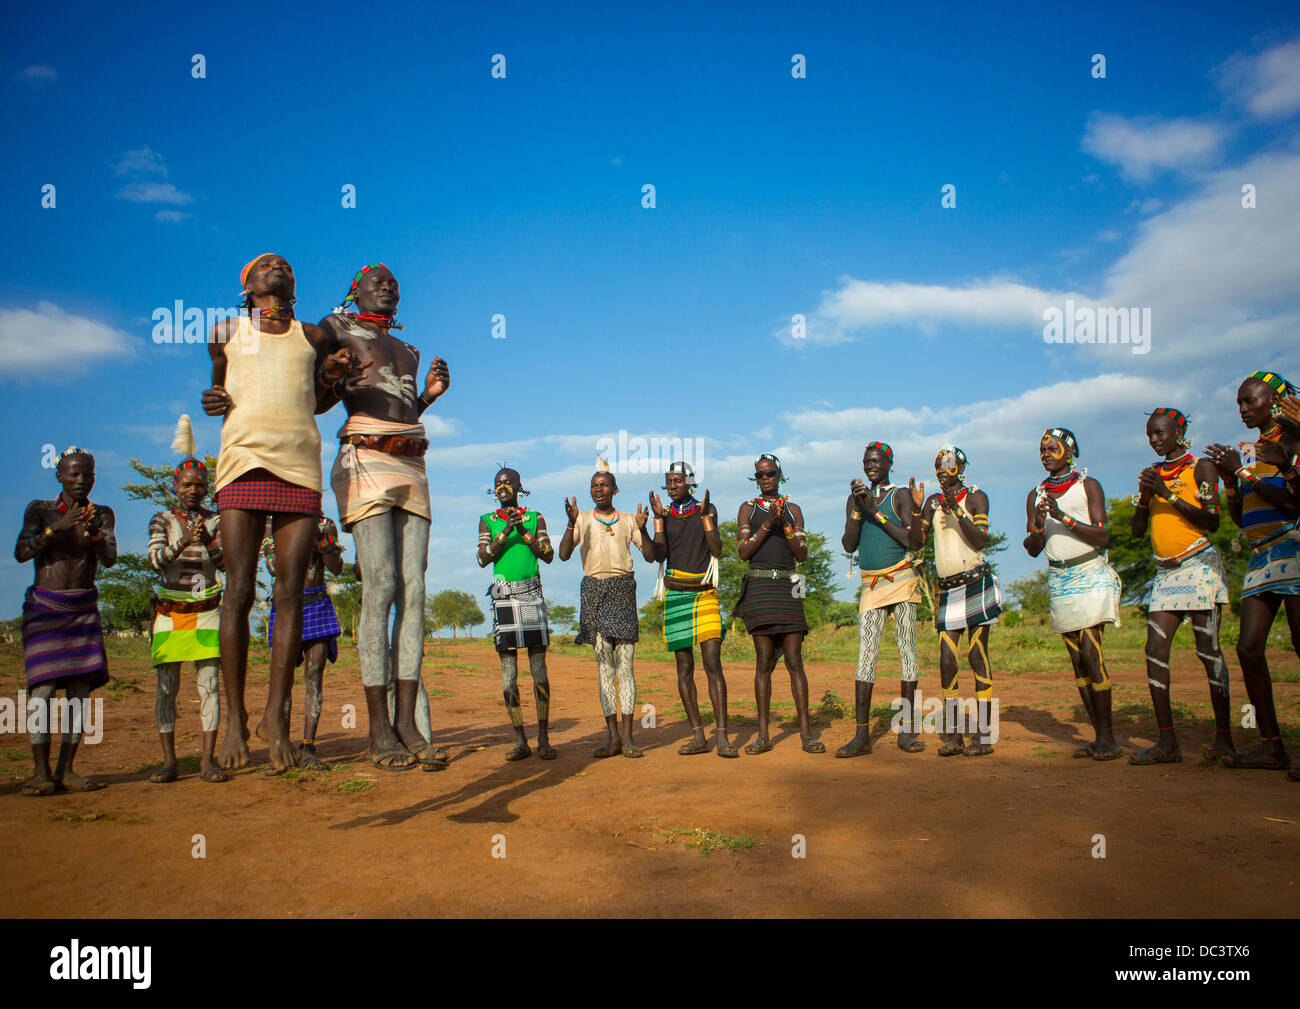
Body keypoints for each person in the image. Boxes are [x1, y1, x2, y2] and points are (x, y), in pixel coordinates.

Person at [203, 253, 361, 773]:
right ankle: (233, 720)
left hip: (299, 467)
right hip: (242, 463)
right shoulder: (225, 332)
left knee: (291, 592)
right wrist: (212, 399)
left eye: (288, 266)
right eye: (268, 265)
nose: (281, 268)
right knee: (240, 591)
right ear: (246, 284)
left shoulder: (312, 336)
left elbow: (315, 402)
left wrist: (332, 379)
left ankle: (276, 716)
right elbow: (222, 391)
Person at [319, 263, 450, 770]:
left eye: (395, 281)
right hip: (364, 455)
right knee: (380, 586)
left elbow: (403, 409)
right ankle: (378, 727)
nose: (389, 285)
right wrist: (331, 376)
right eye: (378, 280)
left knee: (414, 588)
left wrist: (428, 399)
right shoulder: (335, 328)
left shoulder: (410, 350)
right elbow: (315, 398)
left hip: (412, 460)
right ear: (355, 291)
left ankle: (406, 722)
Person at [1205, 371, 1300, 772]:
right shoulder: (1252, 450)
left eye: (1250, 401)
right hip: (1261, 556)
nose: (1243, 409)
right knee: (1247, 648)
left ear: (1275, 401)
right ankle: (1271, 746)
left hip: (1294, 547)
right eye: (1239, 403)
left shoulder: (1292, 443)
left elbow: (1295, 502)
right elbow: (1241, 519)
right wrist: (1231, 481)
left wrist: (1242, 473)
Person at [1129, 408, 1234, 764]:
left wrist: (1168, 495)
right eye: (1149, 435)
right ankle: (1167, 743)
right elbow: (1136, 531)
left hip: (1199, 565)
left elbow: (1212, 520)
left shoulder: (1200, 468)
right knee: (1154, 650)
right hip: (1166, 574)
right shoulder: (1152, 475)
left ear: (1179, 431)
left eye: (1159, 433)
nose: (1154, 440)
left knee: (1208, 652)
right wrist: (1145, 498)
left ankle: (1224, 740)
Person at [14, 448, 116, 795]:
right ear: (59, 476)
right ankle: (40, 772)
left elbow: (111, 559)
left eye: (87, 474)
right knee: (41, 690)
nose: (81, 480)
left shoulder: (101, 515)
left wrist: (96, 538)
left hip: (83, 609)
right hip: (46, 608)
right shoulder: (40, 510)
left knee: (79, 693)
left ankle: (66, 770)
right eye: (74, 474)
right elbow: (21, 552)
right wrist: (53, 531)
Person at [1022, 428, 1123, 761]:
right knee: (1078, 662)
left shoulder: (1088, 486)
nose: (1046, 453)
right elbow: (1033, 549)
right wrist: (1038, 522)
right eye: (1042, 449)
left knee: (1092, 655)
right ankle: (1098, 736)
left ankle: (1108, 738)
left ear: (1070, 451)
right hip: (1060, 579)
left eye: (1052, 448)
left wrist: (1061, 516)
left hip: (1090, 573)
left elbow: (1102, 535)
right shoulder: (1035, 495)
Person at [146, 416, 226, 783]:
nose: (194, 491)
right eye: (187, 485)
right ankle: (169, 761)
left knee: (209, 685)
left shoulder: (216, 520)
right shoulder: (162, 519)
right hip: (170, 613)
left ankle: (208, 760)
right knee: (167, 688)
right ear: (174, 486)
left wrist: (206, 539)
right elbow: (156, 560)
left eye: (200, 485)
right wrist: (183, 541)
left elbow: (225, 561)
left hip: (207, 611)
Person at [558, 463, 657, 758]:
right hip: (594, 591)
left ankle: (628, 739)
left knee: (625, 668)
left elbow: (651, 557)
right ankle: (611, 738)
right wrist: (569, 523)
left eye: (603, 485)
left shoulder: (628, 520)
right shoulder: (582, 519)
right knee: (604, 669)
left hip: (623, 590)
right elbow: (563, 555)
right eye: (594, 485)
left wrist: (643, 529)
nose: (598, 489)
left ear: (614, 491)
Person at [910, 446, 999, 756]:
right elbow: (916, 542)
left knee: (977, 657)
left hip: (976, 582)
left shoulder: (975, 497)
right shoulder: (933, 503)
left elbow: (980, 539)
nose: (941, 469)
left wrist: (957, 510)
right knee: (947, 662)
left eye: (947, 463)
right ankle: (955, 735)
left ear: (961, 467)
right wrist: (917, 509)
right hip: (947, 590)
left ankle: (985, 737)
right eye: (937, 465)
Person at [838, 442, 924, 757]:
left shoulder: (899, 495)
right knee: (867, 657)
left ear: (889, 462)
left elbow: (909, 539)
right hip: (871, 584)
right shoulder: (855, 499)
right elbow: (849, 544)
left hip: (901, 578)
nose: (870, 465)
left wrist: (874, 511)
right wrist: (859, 507)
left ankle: (907, 731)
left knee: (907, 651)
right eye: (866, 461)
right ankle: (861, 736)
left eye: (876, 461)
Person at [734, 454, 823, 755]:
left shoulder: (794, 509)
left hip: (792, 583)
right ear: (755, 479)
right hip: (759, 584)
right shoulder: (747, 509)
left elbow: (802, 554)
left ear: (780, 475)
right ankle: (763, 736)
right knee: (763, 662)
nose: (765, 479)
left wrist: (783, 523)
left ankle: (807, 735)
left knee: (795, 661)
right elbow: (744, 553)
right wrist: (767, 524)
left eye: (770, 473)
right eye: (760, 475)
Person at [649, 462, 737, 757]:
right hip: (676, 593)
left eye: (677, 481)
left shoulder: (706, 510)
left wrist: (707, 519)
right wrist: (654, 521)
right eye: (668, 481)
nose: (672, 485)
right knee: (684, 667)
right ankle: (698, 735)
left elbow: (717, 550)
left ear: (690, 483)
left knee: (713, 662)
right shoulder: (665, 514)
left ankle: (722, 737)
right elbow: (659, 554)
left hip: (704, 594)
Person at [477, 468, 556, 761]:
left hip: (531, 592)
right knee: (509, 676)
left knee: (538, 672)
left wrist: (522, 529)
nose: (502, 486)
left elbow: (547, 554)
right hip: (501, 595)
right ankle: (521, 739)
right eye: (498, 483)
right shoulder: (488, 521)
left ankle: (544, 738)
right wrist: (506, 530)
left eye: (508, 482)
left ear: (519, 487)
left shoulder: (535, 518)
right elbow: (483, 558)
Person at [264, 517, 344, 769]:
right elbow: (274, 567)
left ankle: (308, 746)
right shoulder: (273, 524)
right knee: (283, 677)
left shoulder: (325, 525)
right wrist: (299, 540)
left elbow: (336, 567)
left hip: (317, 603)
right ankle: (281, 746)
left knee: (314, 675)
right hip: (287, 605)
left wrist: (321, 541)